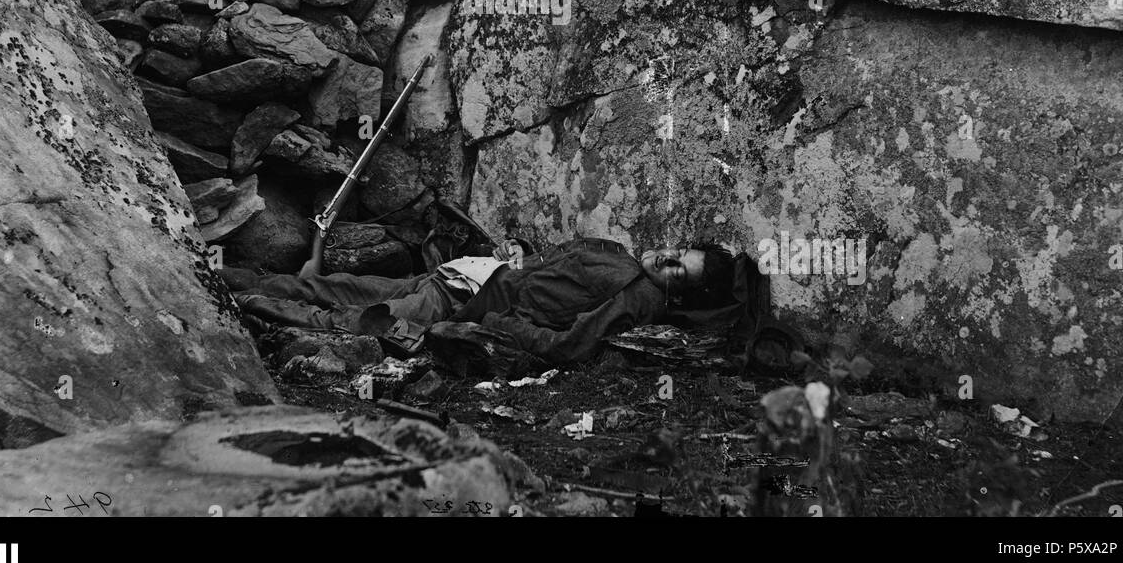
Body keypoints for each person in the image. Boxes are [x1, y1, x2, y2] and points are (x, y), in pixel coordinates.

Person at [227, 230, 741, 367]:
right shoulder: (622, 256)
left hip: (455, 307)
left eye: (678, 271)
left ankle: (232, 302)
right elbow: (549, 278)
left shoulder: (637, 294)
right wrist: (521, 256)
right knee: (327, 284)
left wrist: (506, 325)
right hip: (459, 276)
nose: (666, 259)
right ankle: (211, 270)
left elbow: (570, 345)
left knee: (341, 317)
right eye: (679, 251)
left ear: (676, 294)